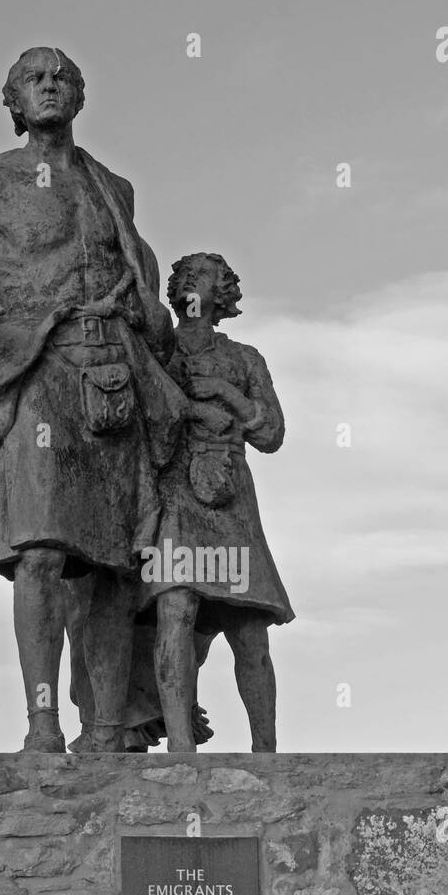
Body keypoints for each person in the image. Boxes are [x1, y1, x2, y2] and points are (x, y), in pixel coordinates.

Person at [0, 47, 225, 751]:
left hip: (114, 378)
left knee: (108, 567)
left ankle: (105, 728)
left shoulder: (113, 188)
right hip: (38, 372)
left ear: (79, 96)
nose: (48, 85)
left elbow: (145, 287)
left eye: (60, 76)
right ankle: (43, 724)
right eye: (33, 78)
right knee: (37, 551)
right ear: (11, 102)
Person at [139, 252, 295, 751]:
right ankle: (180, 748)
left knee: (249, 627)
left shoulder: (245, 359)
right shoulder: (155, 352)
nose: (191, 283)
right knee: (176, 607)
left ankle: (265, 752)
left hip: (231, 496)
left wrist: (227, 393)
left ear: (222, 292)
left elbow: (271, 433)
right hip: (174, 492)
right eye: (184, 277)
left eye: (203, 277)